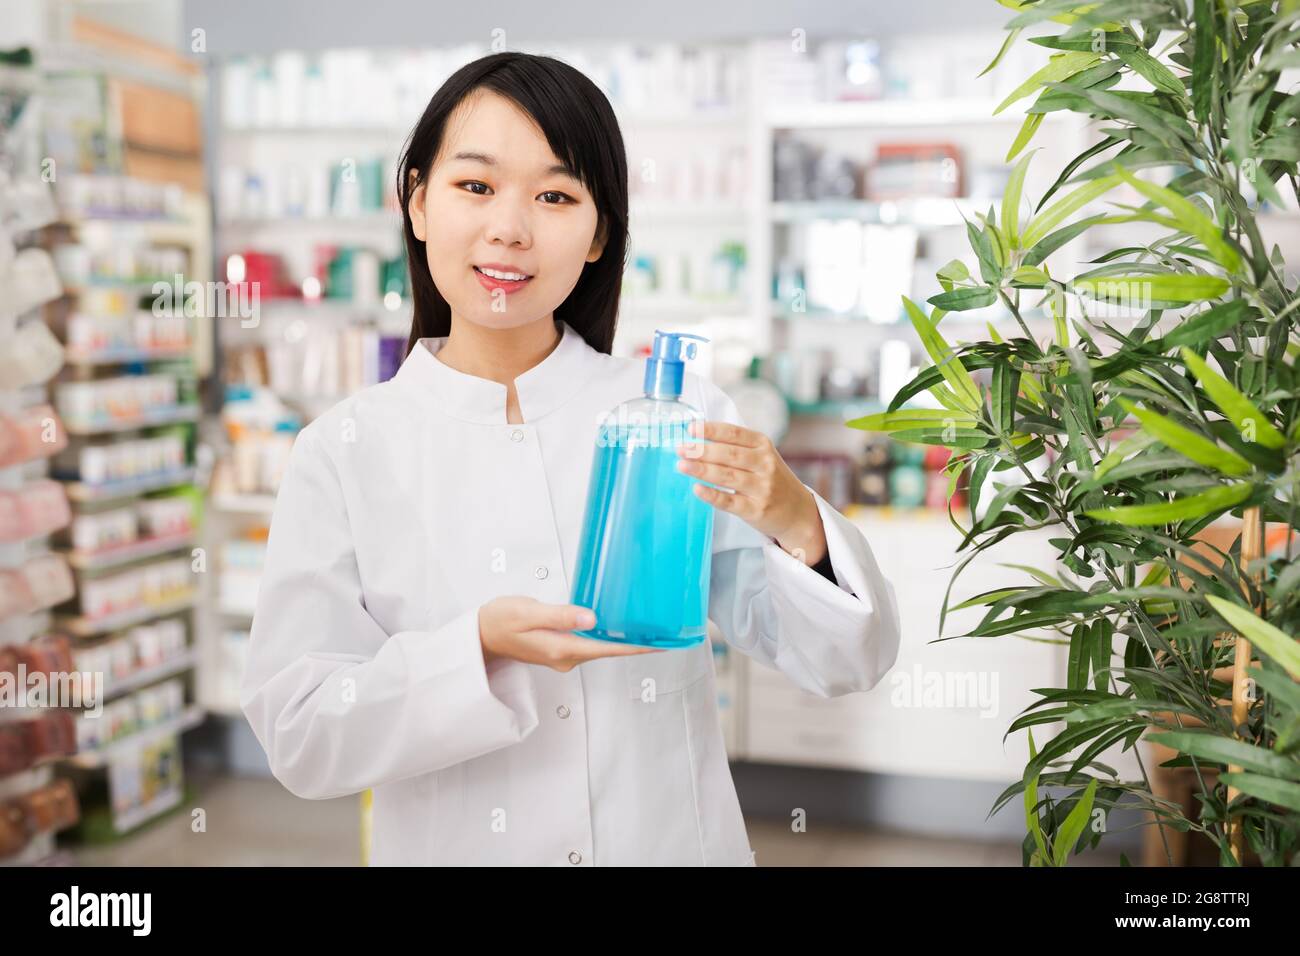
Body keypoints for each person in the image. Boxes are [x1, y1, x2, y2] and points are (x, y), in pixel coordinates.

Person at [240, 51, 901, 866]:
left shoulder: (678, 422)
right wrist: (476, 650)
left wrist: (797, 520)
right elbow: (302, 734)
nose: (509, 229)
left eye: (555, 196)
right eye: (475, 185)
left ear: (599, 236)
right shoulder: (345, 451)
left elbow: (846, 660)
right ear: (417, 202)